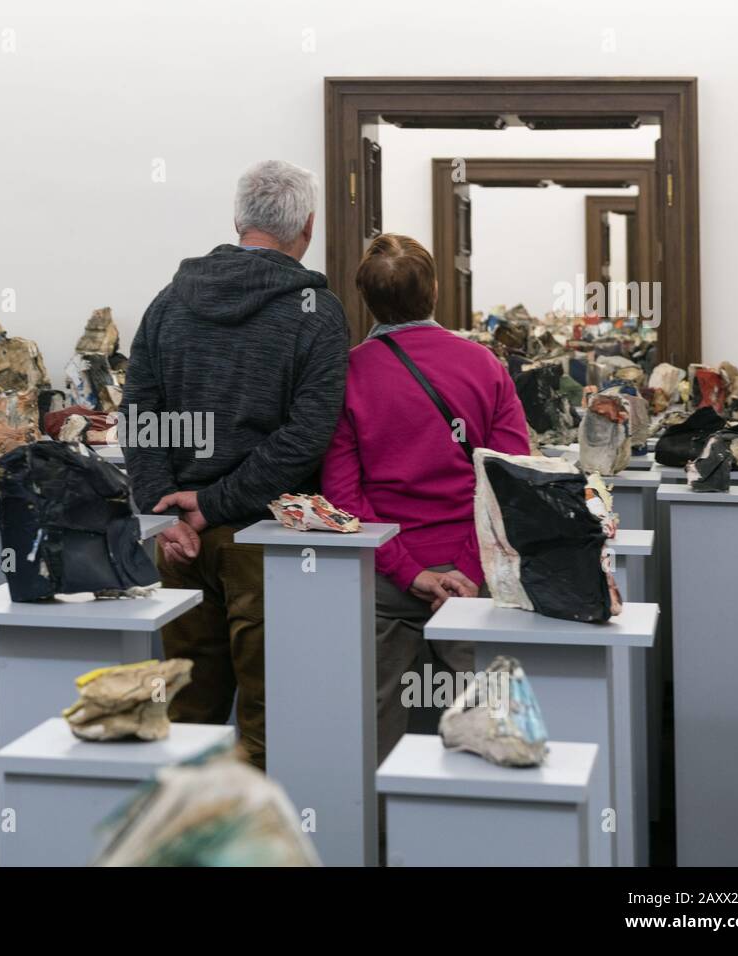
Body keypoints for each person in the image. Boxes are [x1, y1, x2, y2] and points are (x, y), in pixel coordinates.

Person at [121, 159, 350, 768]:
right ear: (306, 226)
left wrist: (164, 508)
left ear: (237, 221)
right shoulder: (317, 315)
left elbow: (139, 413)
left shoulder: (169, 302)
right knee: (270, 723)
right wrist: (210, 507)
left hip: (177, 541)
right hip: (266, 540)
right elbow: (307, 436)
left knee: (185, 721)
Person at [321, 233, 530, 764]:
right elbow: (509, 482)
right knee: (491, 724)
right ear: (435, 289)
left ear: (365, 299)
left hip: (385, 577)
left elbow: (343, 499)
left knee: (375, 723)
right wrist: (461, 570)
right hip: (473, 573)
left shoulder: (348, 374)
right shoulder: (484, 366)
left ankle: (380, 840)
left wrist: (410, 573)